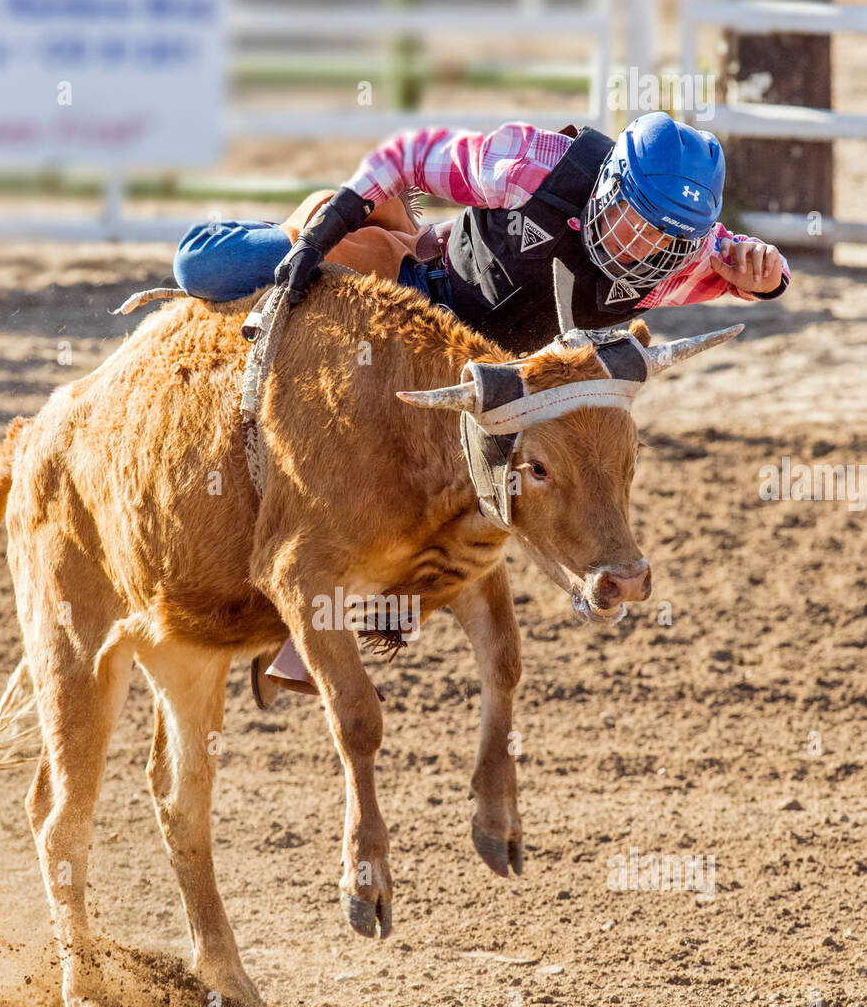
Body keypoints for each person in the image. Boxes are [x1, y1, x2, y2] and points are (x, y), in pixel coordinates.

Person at [171, 111, 789, 704]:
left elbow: (759, 268)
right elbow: (407, 153)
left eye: (672, 238)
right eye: (640, 222)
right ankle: (328, 228)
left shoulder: (692, 253)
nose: (648, 248)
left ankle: (344, 614)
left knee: (473, 495)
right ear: (610, 189)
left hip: (505, 380)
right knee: (204, 265)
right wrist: (320, 238)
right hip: (413, 295)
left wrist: (768, 276)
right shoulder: (532, 166)